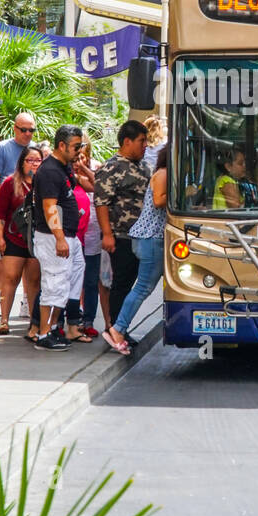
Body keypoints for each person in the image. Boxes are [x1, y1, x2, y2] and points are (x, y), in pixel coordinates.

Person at [30, 125, 93, 351]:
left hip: (69, 236)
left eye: (81, 146)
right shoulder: (49, 171)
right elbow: (49, 207)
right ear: (62, 145)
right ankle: (44, 333)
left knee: (69, 279)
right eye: (76, 147)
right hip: (53, 237)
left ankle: (55, 326)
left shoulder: (64, 167)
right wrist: (59, 237)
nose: (79, 151)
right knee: (54, 283)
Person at [104, 148, 167, 355]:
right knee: (142, 288)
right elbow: (159, 201)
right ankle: (118, 329)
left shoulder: (161, 173)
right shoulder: (164, 174)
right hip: (151, 238)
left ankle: (118, 327)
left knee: (142, 286)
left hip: (149, 238)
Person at [94, 121, 150, 344]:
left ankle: (121, 327)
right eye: (141, 141)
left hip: (141, 235)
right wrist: (107, 234)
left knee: (132, 283)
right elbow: (101, 203)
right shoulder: (112, 167)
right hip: (120, 235)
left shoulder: (144, 166)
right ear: (127, 141)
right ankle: (115, 328)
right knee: (121, 283)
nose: (145, 145)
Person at [0, 144, 43, 336]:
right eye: (29, 160)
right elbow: (0, 213)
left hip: (36, 239)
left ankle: (34, 321)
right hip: (13, 237)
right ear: (22, 162)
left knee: (33, 280)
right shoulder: (10, 183)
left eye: (37, 160)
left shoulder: (43, 183)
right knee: (11, 277)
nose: (33, 164)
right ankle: (4, 320)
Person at [77, 137, 103, 340]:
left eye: (83, 155)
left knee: (91, 280)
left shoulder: (96, 168)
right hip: (75, 233)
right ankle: (73, 319)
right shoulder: (64, 170)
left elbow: (98, 186)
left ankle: (88, 320)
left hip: (93, 233)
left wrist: (83, 170)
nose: (80, 159)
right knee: (72, 279)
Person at [0, 112, 38, 195]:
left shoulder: (37, 149)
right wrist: (1, 200)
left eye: (31, 130)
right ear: (15, 128)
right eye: (23, 130)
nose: (28, 133)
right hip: (8, 197)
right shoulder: (2, 148)